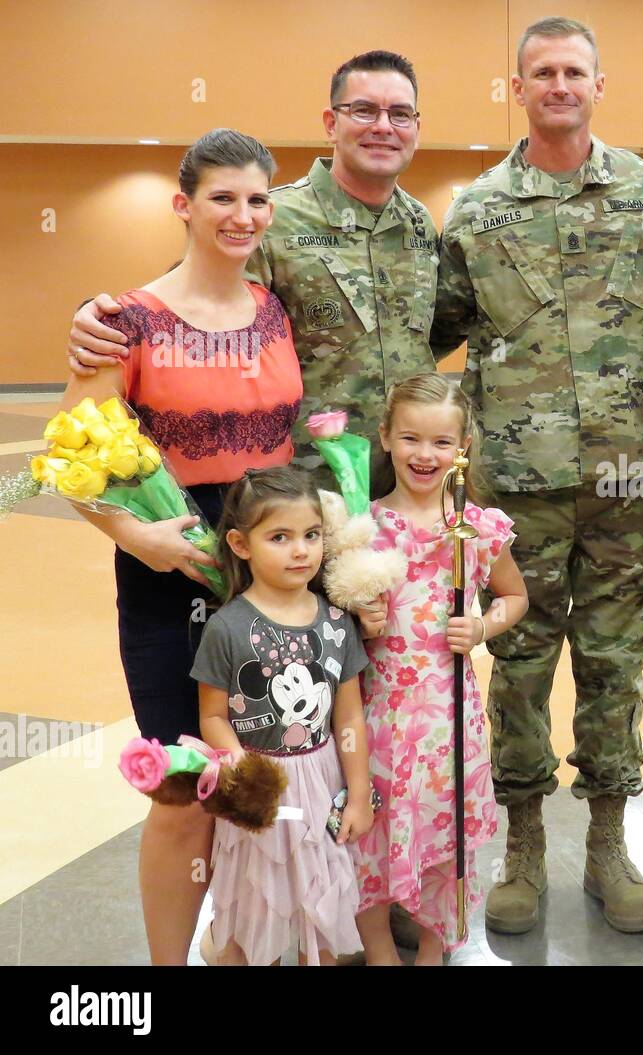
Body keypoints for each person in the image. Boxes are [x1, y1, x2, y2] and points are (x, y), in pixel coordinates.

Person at [430, 16, 643, 935]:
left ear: (597, 86)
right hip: (515, 488)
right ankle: (523, 841)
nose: (559, 84)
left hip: (623, 481)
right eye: (542, 72)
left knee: (616, 664)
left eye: (575, 70)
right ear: (518, 87)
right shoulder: (482, 207)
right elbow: (442, 325)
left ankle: (608, 841)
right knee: (517, 662)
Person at [54, 129, 301, 964]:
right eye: (223, 197)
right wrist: (137, 535)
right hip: (171, 574)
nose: (243, 214)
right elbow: (73, 459)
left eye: (258, 198)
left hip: (270, 579)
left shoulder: (274, 309)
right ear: (183, 205)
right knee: (184, 787)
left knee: (264, 773)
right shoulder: (125, 322)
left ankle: (248, 946)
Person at [68, 50, 439, 488]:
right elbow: (196, 311)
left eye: (399, 114)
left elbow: (436, 330)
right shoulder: (271, 219)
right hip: (303, 489)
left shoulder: (419, 222)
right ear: (330, 123)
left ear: (416, 126)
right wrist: (97, 317)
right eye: (363, 110)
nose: (382, 126)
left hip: (410, 477)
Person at [352, 375, 528, 966]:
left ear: (463, 446)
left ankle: (433, 948)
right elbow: (330, 619)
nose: (425, 455)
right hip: (376, 717)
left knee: (446, 839)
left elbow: (514, 598)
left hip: (450, 720)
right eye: (410, 439)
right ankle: (378, 949)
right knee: (368, 837)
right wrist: (360, 617)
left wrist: (483, 627)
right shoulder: (362, 529)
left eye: (441, 442)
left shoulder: (476, 528)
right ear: (385, 438)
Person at [192, 467, 373, 965]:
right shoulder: (226, 627)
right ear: (241, 543)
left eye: (311, 535)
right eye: (280, 537)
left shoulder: (337, 623)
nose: (301, 550)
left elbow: (350, 718)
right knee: (258, 897)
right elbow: (212, 716)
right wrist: (243, 774)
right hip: (257, 785)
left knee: (324, 892)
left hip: (321, 778)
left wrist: (358, 795)